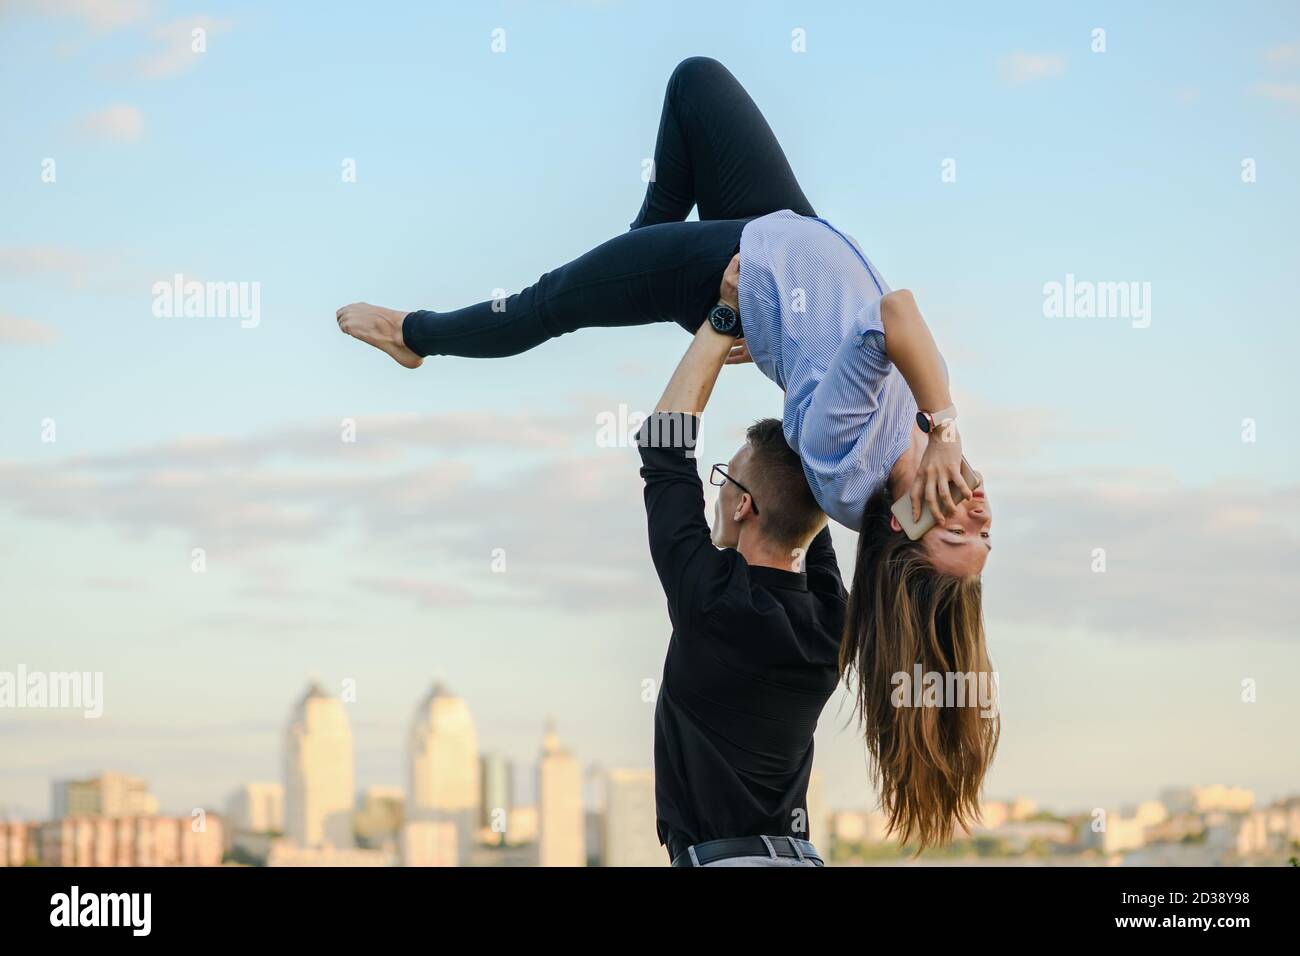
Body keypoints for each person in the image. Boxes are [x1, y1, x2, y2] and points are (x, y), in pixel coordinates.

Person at [339, 56, 999, 849]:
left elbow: (895, 313)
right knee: (696, 82)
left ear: (902, 527)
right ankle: (638, 253)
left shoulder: (847, 458)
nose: (982, 512)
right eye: (986, 534)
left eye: (959, 533)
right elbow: (861, 475)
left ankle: (417, 335)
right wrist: (925, 438)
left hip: (746, 269)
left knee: (554, 301)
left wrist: (731, 323)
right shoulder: (906, 474)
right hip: (787, 231)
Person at [636, 316, 843, 866]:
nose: (719, 488)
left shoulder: (715, 602)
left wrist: (724, 316)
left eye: (726, 477)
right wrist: (779, 342)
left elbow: (663, 446)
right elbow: (807, 500)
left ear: (743, 504)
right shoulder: (829, 624)